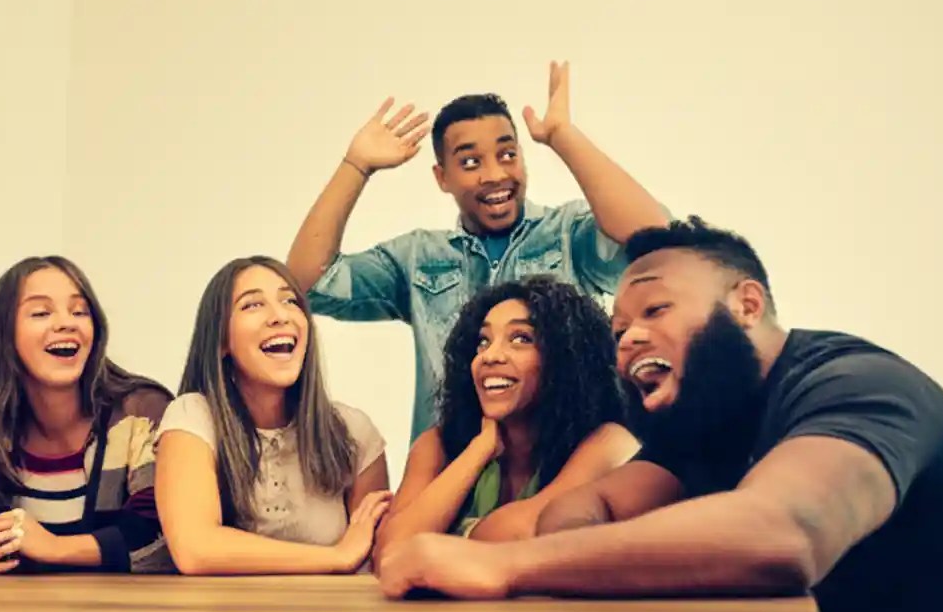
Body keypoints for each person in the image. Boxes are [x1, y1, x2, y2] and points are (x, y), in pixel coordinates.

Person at [378, 217, 943, 612]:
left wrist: (507, 567)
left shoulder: (857, 385)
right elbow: (585, 512)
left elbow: (782, 532)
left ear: (747, 305)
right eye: (618, 331)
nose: (630, 336)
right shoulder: (707, 422)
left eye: (656, 309)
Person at [287, 61, 669, 441]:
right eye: (470, 162)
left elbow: (654, 241)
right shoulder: (418, 256)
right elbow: (308, 283)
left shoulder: (568, 233)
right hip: (454, 475)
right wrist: (356, 166)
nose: (495, 174)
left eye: (507, 155)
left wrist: (563, 136)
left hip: (569, 460)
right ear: (442, 177)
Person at [0, 256, 174, 574]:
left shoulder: (140, 412)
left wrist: (57, 549)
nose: (66, 323)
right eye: (41, 312)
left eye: (80, 311)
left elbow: (165, 532)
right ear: (4, 336)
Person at [154, 256, 391, 575]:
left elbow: (374, 561)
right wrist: (336, 557)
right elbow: (195, 549)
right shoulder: (192, 416)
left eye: (290, 301)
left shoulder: (353, 430)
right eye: (252, 305)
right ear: (221, 340)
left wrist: (349, 558)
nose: (280, 316)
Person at [374, 275, 636, 562]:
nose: (490, 356)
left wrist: (436, 541)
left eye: (521, 339)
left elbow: (524, 531)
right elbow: (389, 551)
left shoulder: (609, 442)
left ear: (566, 358)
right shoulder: (437, 445)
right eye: (483, 341)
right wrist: (478, 451)